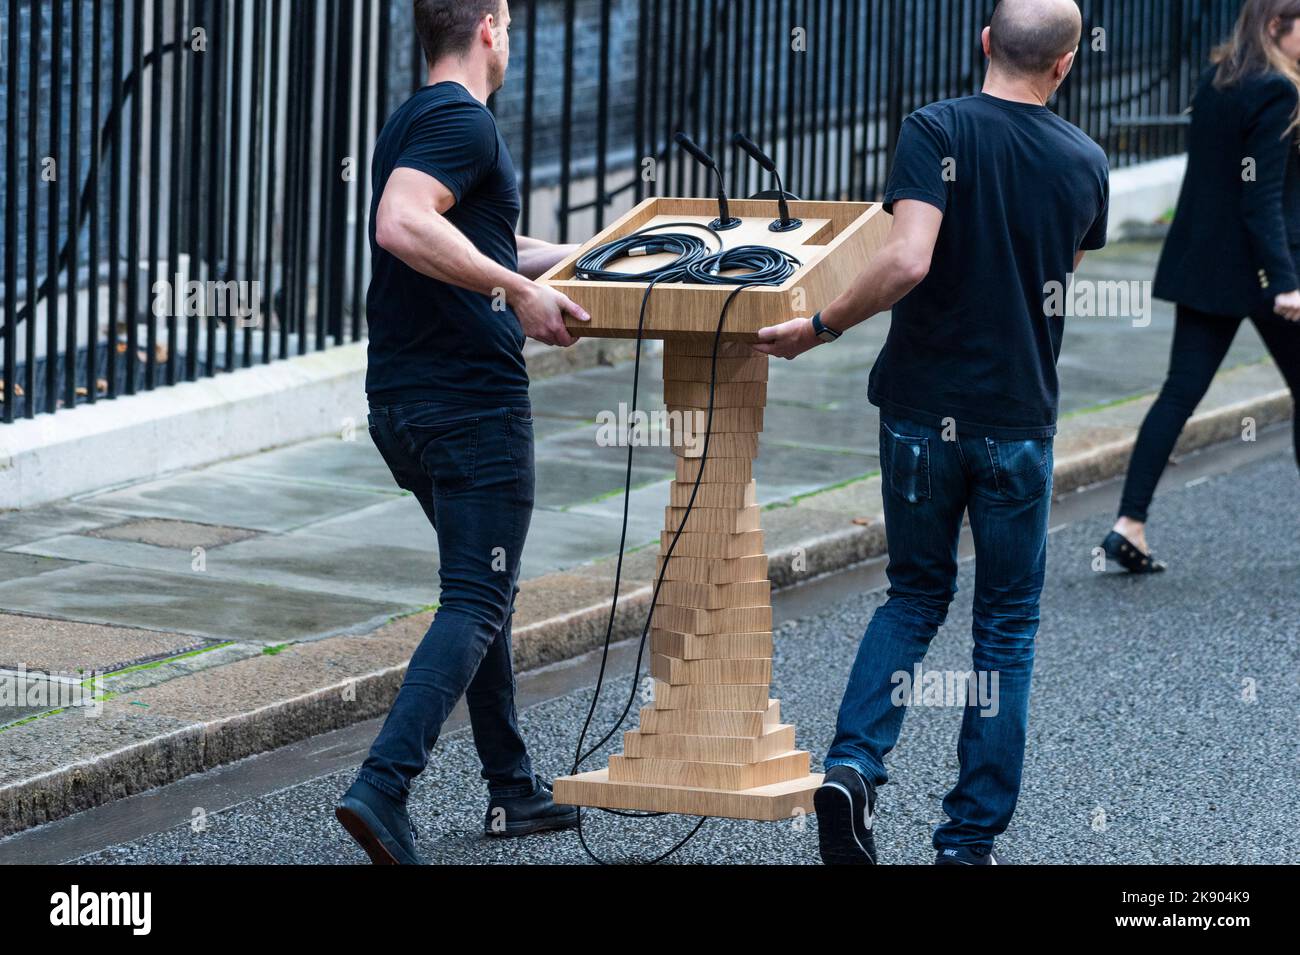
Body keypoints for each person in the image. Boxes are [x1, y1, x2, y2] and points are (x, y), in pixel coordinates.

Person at [754, 0, 1108, 865]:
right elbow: (1062, 261)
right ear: (1065, 65)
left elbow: (909, 257)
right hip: (1017, 422)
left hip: (918, 414)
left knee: (913, 594)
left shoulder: (933, 129)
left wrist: (820, 326)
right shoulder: (1085, 160)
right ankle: (966, 843)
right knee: (1007, 628)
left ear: (983, 41)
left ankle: (851, 765)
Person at [334, 0, 590, 865]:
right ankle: (383, 785)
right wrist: (517, 295)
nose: (510, 42)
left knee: (488, 588)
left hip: (405, 406)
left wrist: (586, 255)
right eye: (510, 27)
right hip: (469, 405)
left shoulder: (414, 116)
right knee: (477, 599)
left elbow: (472, 237)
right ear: (489, 26)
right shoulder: (463, 120)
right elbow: (404, 223)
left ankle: (512, 788)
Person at [1104, 0, 1300, 574]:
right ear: (1274, 27)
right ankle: (1128, 524)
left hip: (1207, 266)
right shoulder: (1279, 92)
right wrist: (1285, 282)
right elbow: (1259, 196)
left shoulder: (1218, 78)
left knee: (1178, 393)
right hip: (1267, 269)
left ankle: (1127, 524)